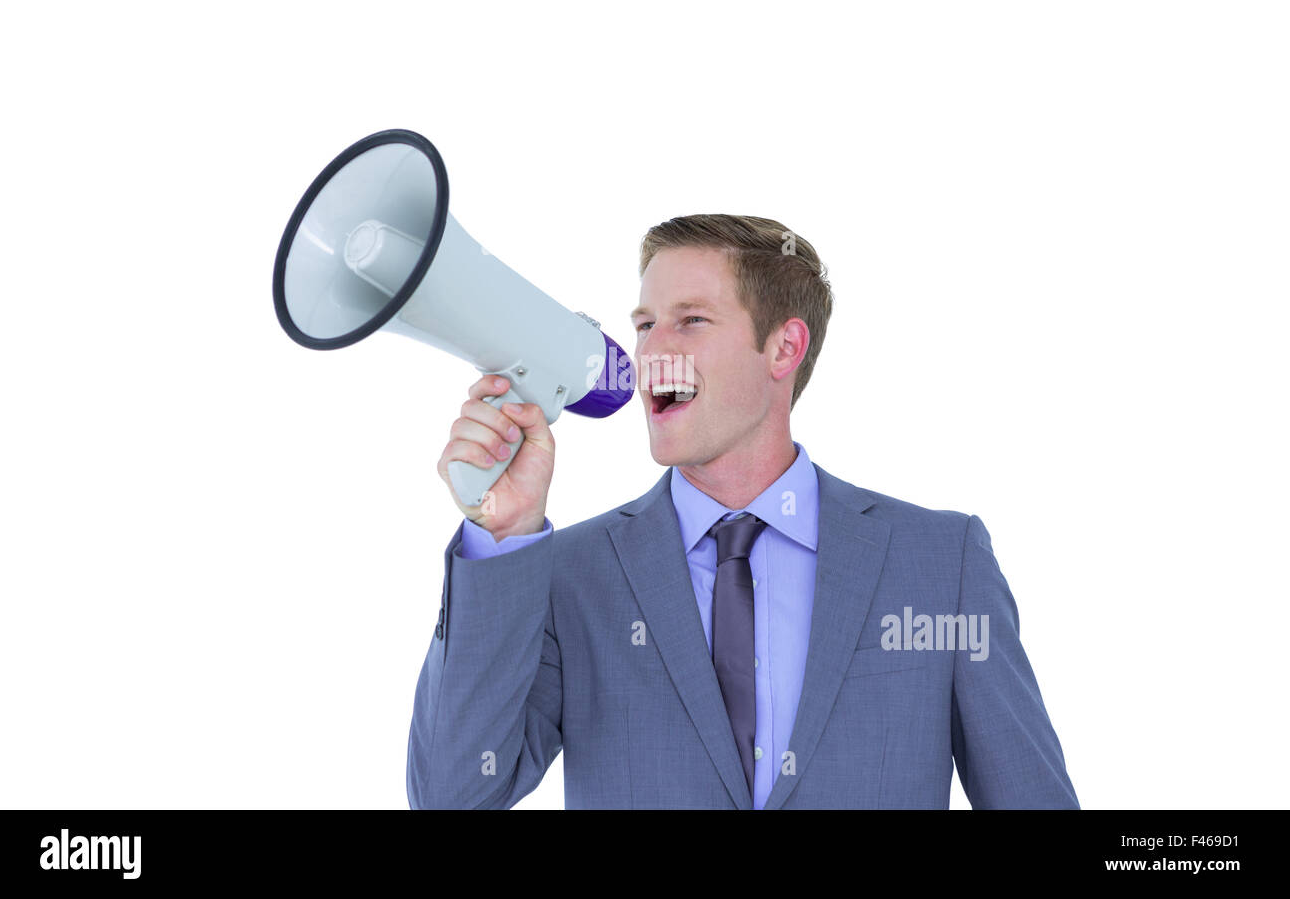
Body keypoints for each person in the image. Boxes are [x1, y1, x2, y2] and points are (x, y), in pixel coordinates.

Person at [406, 214, 1078, 809]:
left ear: (784, 349)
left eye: (690, 320)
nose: (649, 353)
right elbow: (453, 794)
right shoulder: (570, 574)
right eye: (644, 325)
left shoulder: (940, 561)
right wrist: (502, 534)